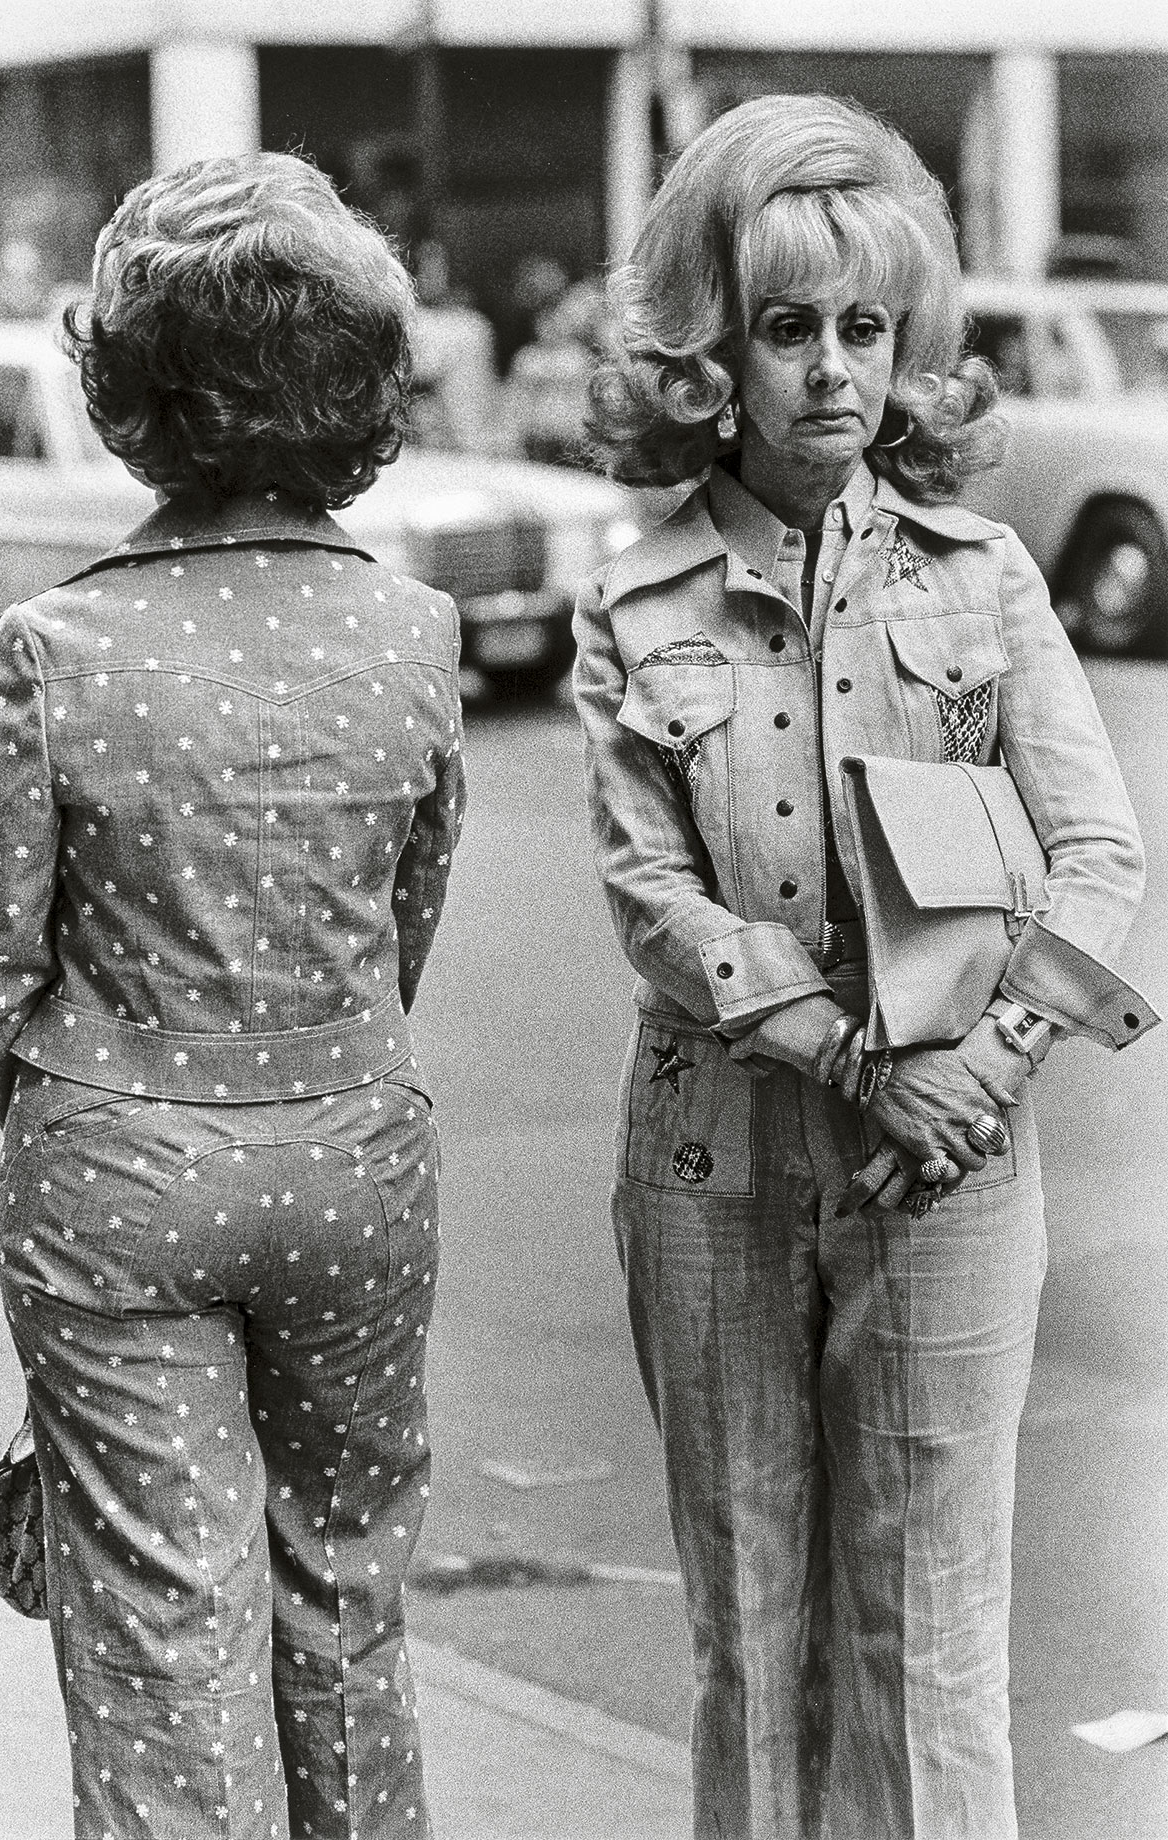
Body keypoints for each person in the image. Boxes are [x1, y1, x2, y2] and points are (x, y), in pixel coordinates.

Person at [574, 94, 1150, 1840]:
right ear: (707, 354)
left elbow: (1098, 851)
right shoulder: (636, 607)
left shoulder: (985, 580)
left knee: (933, 1641)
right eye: (783, 327)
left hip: (947, 1169)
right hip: (714, 1161)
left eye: (862, 328)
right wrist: (851, 1060)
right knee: (750, 1636)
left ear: (905, 348)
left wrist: (975, 1074)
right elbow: (652, 899)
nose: (830, 370)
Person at [0, 152, 465, 1840]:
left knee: (163, 1626)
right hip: (356, 1154)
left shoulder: (57, 645)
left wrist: (83, 1100)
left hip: (118, 1167)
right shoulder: (417, 635)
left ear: (131, 395)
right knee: (344, 1594)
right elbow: (406, 915)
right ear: (356, 397)